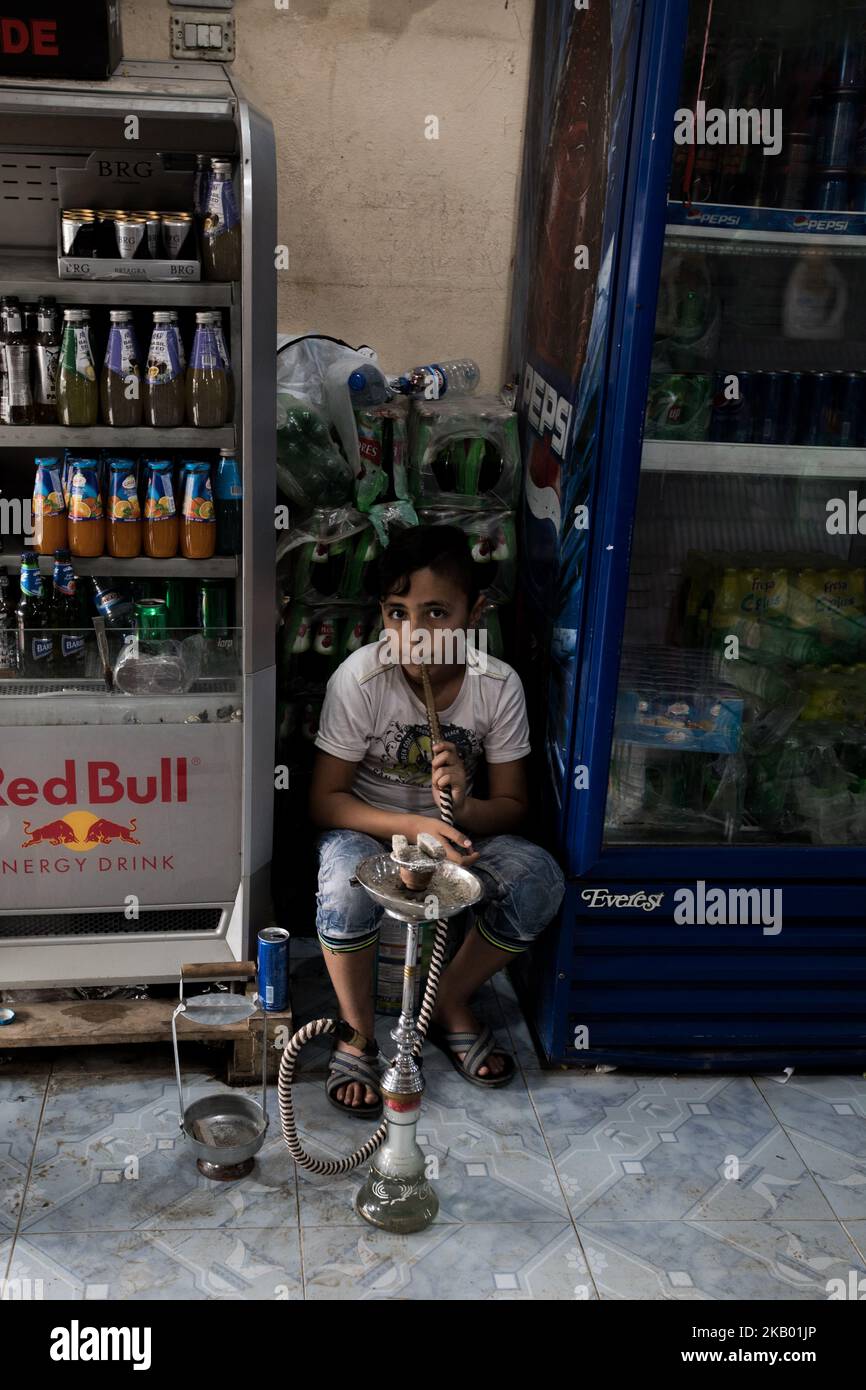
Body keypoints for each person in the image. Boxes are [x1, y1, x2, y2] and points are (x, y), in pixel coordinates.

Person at [309, 524, 565, 1116]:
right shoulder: (359, 679)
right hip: (370, 827)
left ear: (475, 613)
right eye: (397, 614)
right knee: (340, 886)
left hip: (460, 835)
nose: (414, 636)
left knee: (539, 878)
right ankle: (357, 1032)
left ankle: (449, 1000)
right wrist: (415, 828)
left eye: (436, 614)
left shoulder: (497, 687)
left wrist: (465, 810)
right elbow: (324, 801)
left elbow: (514, 808)